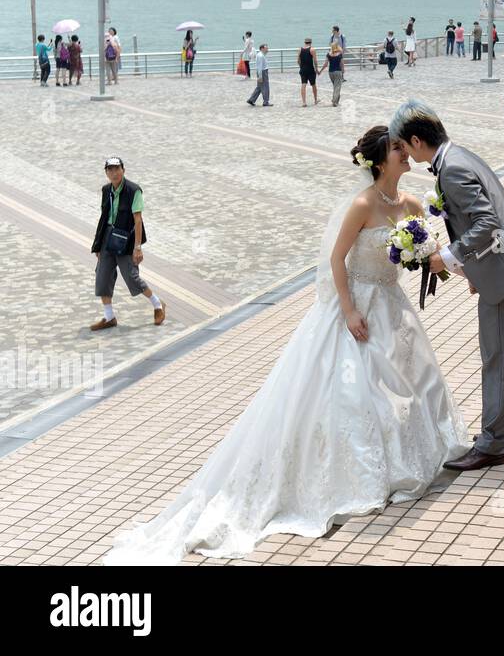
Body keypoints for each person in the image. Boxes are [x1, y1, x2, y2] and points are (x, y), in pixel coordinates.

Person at [102, 129, 470, 564]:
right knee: (353, 393)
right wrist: (349, 310)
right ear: (377, 161)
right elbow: (337, 260)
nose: (405, 153)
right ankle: (355, 468)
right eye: (396, 149)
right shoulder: (361, 205)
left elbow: (435, 245)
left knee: (414, 379)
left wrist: (454, 265)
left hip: (394, 307)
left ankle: (410, 454)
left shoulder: (409, 203)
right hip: (359, 308)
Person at [391, 100, 504, 471]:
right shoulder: (458, 156)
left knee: (498, 357)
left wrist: (451, 257)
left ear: (415, 140)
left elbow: (486, 222)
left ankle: (492, 443)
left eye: (404, 146)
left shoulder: (452, 169)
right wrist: (474, 268)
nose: (404, 154)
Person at [90, 157, 166, 332]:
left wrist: (137, 247)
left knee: (132, 277)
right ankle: (109, 317)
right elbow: (104, 217)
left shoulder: (134, 190)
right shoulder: (106, 190)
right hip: (108, 237)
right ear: (106, 172)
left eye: (117, 169)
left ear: (123, 170)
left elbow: (138, 220)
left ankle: (158, 305)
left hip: (126, 239)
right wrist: (98, 245)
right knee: (102, 278)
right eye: (110, 170)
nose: (114, 173)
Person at [298, 37, 320, 107]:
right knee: (313, 84)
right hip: (310, 69)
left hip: (303, 69)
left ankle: (304, 102)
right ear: (311, 43)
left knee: (303, 84)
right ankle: (315, 100)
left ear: (304, 42)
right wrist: (316, 69)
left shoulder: (300, 49)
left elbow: (298, 60)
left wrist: (301, 67)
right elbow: (315, 61)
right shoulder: (312, 49)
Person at [323, 42, 344, 106]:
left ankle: (336, 100)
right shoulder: (340, 55)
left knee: (335, 86)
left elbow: (326, 64)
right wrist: (343, 71)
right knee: (337, 87)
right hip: (338, 71)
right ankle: (334, 101)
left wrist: (320, 70)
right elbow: (342, 64)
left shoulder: (328, 54)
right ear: (337, 47)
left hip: (331, 72)